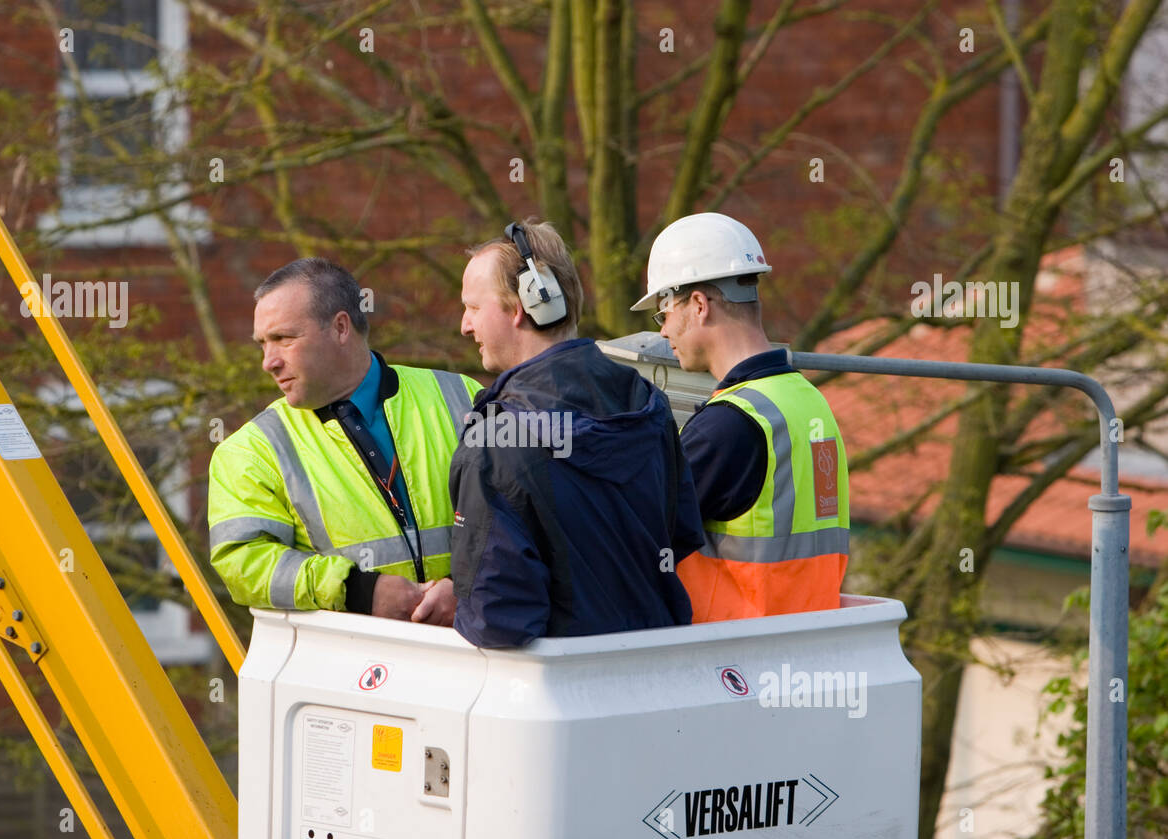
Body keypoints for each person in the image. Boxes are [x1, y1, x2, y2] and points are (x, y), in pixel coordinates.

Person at [449, 219, 705, 648]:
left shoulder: (494, 445)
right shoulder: (649, 404)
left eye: (473, 308)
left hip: (558, 695)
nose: (464, 326)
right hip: (660, 675)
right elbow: (680, 538)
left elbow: (497, 620)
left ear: (520, 308)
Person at [208, 258, 482, 624]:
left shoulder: (462, 396)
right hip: (348, 671)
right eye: (262, 344)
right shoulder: (250, 451)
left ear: (340, 328)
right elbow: (244, 565)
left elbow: (521, 518)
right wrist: (355, 590)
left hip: (472, 661)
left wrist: (463, 586)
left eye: (283, 339)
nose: (268, 362)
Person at [633, 212, 849, 621]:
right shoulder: (810, 403)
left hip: (733, 663)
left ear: (698, 305)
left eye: (664, 313)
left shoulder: (729, 426)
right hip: (809, 646)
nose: (663, 332)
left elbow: (635, 539)